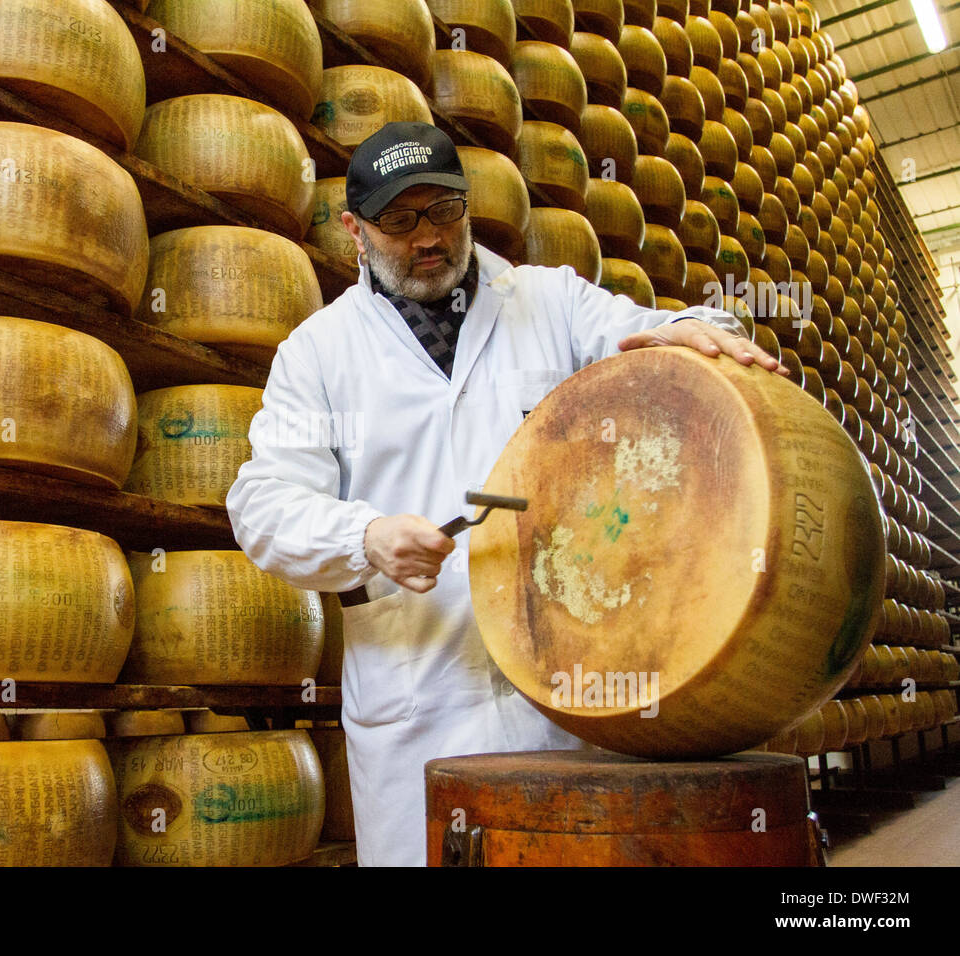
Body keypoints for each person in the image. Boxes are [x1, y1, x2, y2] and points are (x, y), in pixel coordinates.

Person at [225, 122, 787, 867]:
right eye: (400, 220)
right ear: (354, 230)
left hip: (562, 695)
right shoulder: (319, 353)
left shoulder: (549, 302)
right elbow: (261, 504)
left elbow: (664, 329)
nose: (429, 237)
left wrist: (689, 332)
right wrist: (365, 537)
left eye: (445, 210)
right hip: (417, 700)